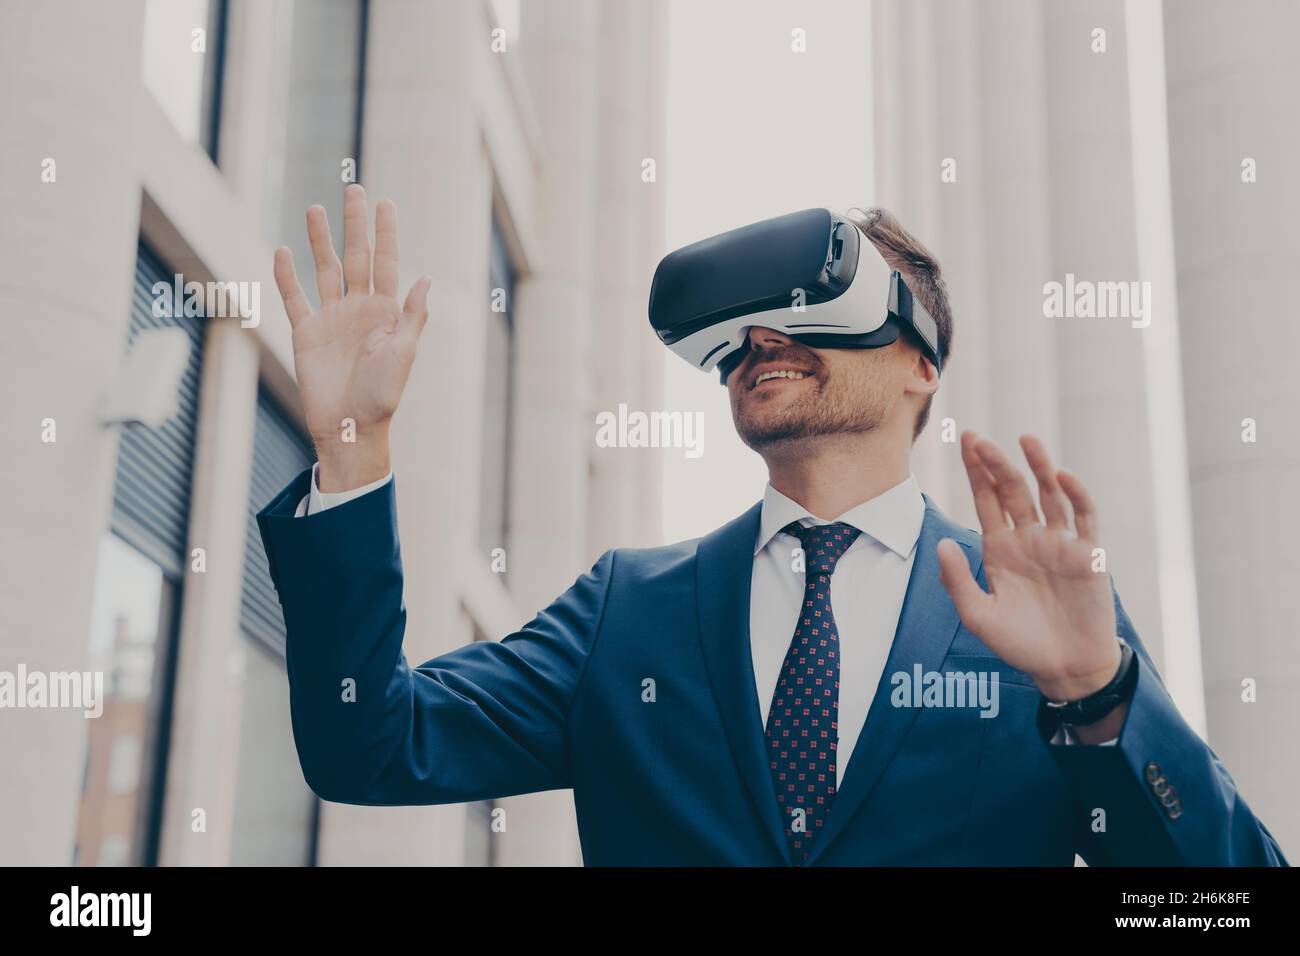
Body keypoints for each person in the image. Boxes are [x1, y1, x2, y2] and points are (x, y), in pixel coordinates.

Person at [257, 184, 1284, 866]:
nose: (761, 335)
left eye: (809, 300)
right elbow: (370, 747)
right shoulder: (627, 609)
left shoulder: (1037, 616)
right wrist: (353, 450)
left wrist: (1097, 696)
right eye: (741, 320)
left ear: (920, 360)